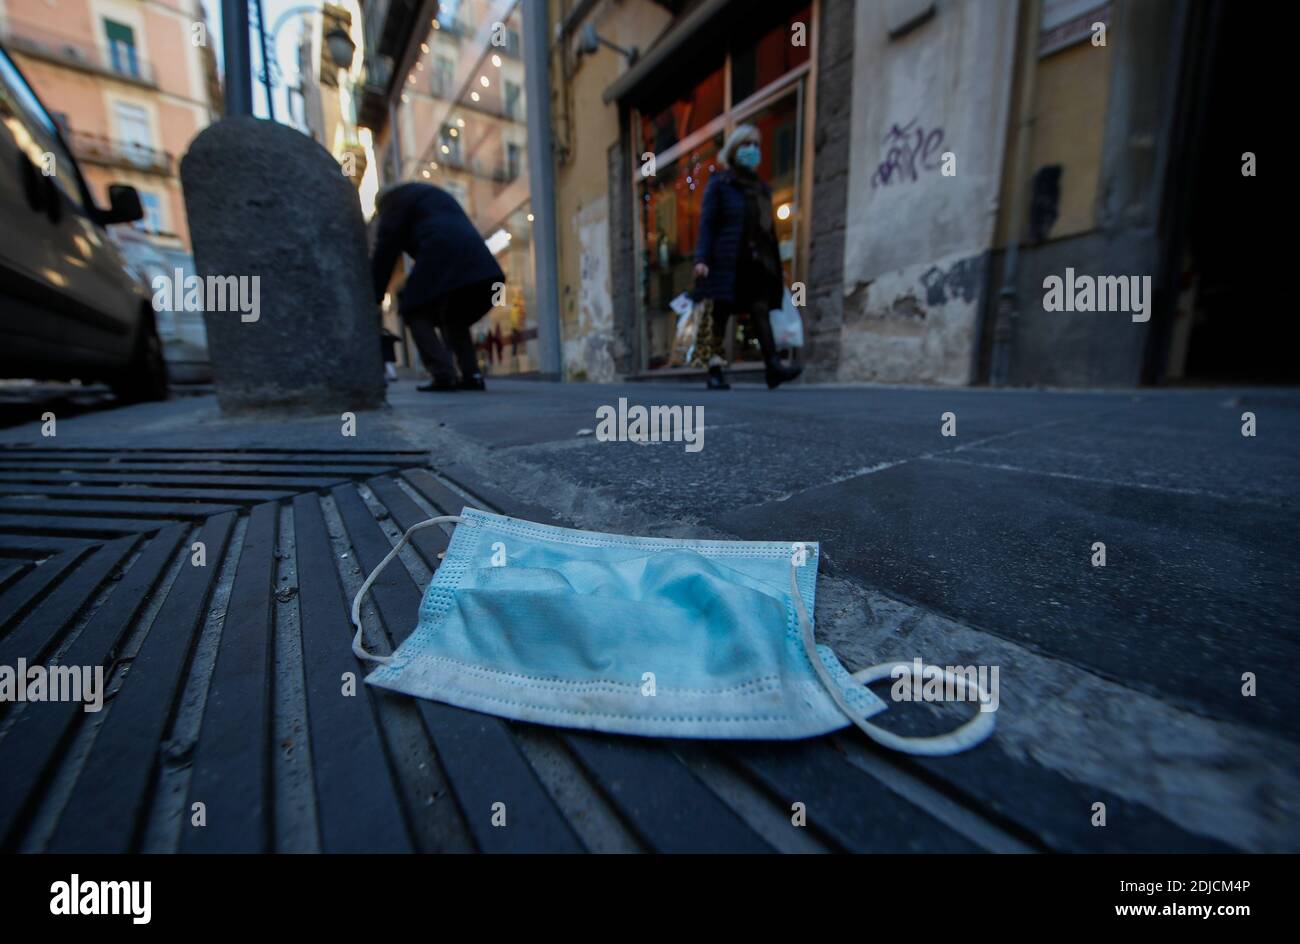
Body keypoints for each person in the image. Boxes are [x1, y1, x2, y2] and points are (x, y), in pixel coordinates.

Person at [693, 124, 802, 391]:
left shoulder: (761, 189)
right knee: (719, 314)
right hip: (725, 259)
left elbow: (768, 230)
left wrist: (775, 266)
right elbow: (708, 223)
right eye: (746, 145)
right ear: (733, 150)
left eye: (756, 145)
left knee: (760, 309)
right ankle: (715, 368)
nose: (752, 150)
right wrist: (702, 258)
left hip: (755, 262)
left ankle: (773, 366)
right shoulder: (720, 183)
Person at [371, 182, 504, 391]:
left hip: (443, 253)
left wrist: (374, 296)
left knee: (411, 305)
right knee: (454, 318)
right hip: (484, 268)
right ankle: (473, 375)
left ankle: (443, 374)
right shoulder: (428, 195)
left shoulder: (393, 200)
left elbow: (385, 249)